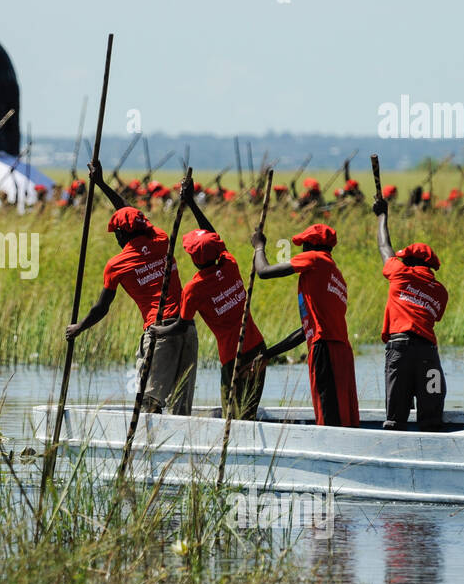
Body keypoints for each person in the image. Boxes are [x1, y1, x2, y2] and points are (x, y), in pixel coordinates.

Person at [65, 161, 197, 415]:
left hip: (160, 332)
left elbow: (101, 307)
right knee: (181, 408)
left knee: (149, 403)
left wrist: (79, 327)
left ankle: (146, 452)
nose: (116, 238)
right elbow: (128, 213)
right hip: (187, 327)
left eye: (116, 233)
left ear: (123, 235)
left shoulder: (117, 264)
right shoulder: (160, 239)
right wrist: (102, 183)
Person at [151, 177, 267, 419]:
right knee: (248, 412)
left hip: (233, 356)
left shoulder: (195, 288)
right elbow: (213, 235)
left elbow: (181, 326)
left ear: (194, 259)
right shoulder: (230, 264)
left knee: (234, 417)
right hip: (257, 345)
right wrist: (192, 203)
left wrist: (158, 332)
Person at [252, 222, 359, 427]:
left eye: (303, 245)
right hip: (340, 351)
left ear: (311, 246)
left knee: (329, 419)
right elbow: (306, 331)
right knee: (341, 413)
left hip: (325, 350)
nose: (301, 250)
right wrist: (269, 353)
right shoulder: (336, 276)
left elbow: (263, 271)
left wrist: (259, 246)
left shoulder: (315, 259)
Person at [374, 194, 448, 430]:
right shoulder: (440, 291)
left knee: (395, 418)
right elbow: (434, 316)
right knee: (432, 417)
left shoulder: (400, 273)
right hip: (429, 354)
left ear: (411, 262)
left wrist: (382, 216)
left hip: (401, 350)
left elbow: (384, 247)